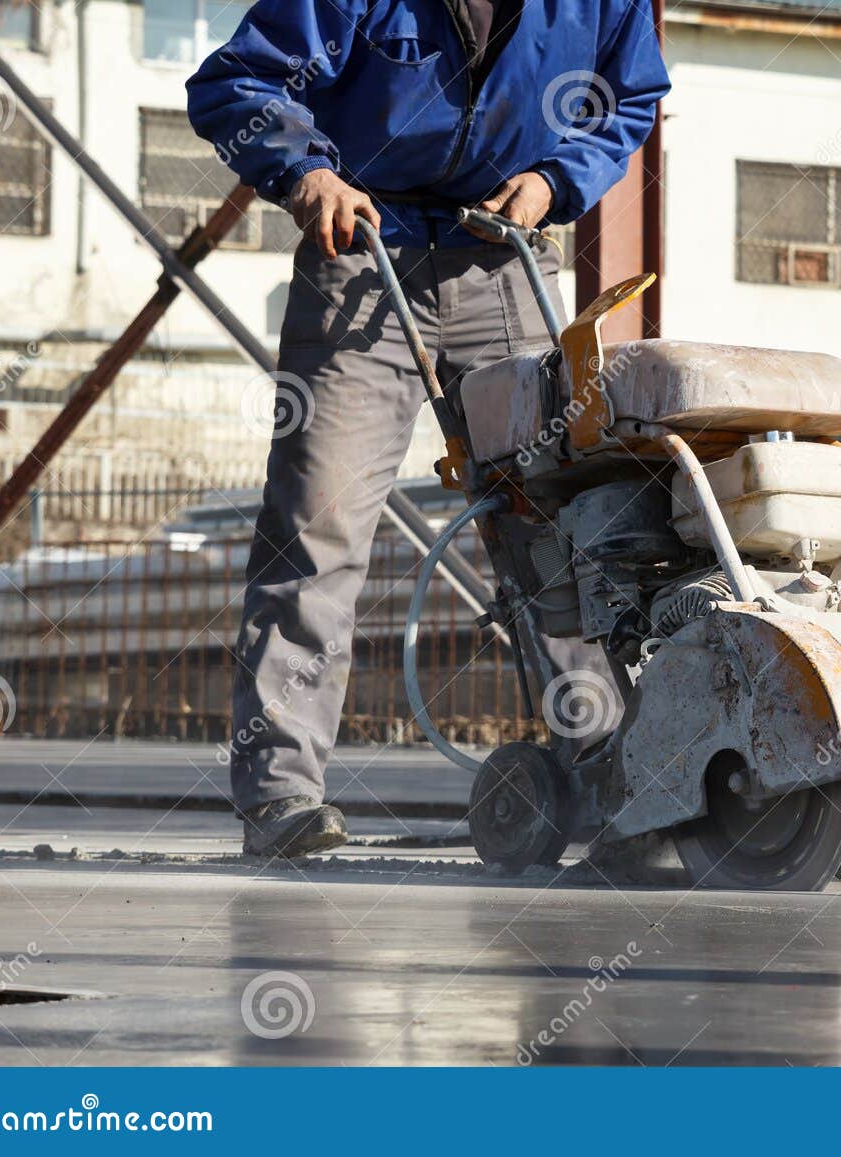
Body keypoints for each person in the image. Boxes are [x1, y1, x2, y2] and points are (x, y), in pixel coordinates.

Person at [186, 0, 669, 857]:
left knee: (550, 526)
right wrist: (306, 173)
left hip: (506, 260)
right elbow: (237, 83)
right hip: (365, 253)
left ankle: (600, 771)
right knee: (317, 521)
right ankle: (282, 799)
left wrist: (558, 180)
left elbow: (629, 101)